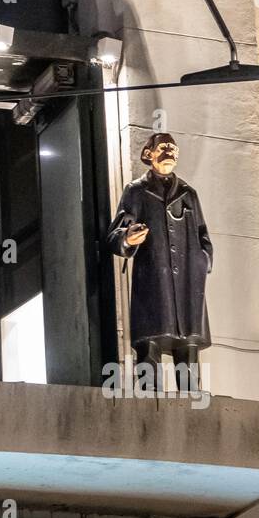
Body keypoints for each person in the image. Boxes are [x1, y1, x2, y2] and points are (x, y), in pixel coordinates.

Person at [105, 132, 212, 390]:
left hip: (187, 282)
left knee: (187, 343)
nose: (169, 153)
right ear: (149, 154)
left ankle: (190, 396)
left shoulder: (188, 193)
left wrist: (203, 260)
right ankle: (148, 395)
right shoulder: (136, 191)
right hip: (153, 279)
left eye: (173, 149)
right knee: (149, 342)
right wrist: (128, 238)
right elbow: (115, 234)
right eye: (163, 147)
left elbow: (203, 235)